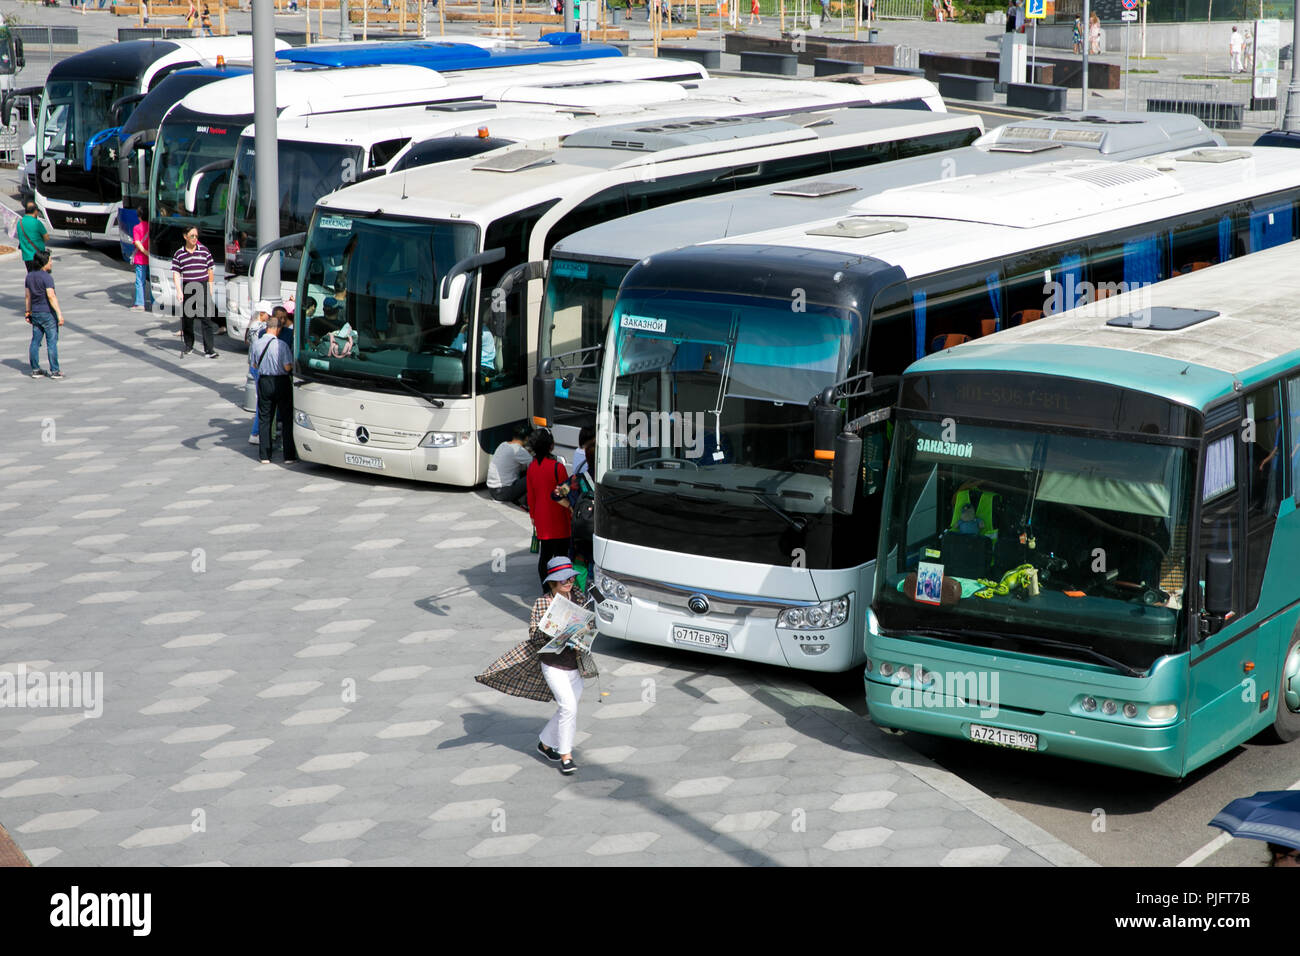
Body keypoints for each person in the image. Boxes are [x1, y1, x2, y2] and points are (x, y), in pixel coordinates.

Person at [472, 556, 599, 776]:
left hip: (575, 664)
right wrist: (556, 629)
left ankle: (544, 744)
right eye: (563, 580)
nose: (568, 582)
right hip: (553, 665)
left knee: (568, 708)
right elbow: (534, 636)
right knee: (569, 707)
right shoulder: (543, 603)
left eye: (570, 578)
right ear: (553, 583)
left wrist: (584, 632)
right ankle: (566, 756)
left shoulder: (578, 596)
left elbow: (588, 624)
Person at [527, 428, 571, 589]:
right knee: (562, 556)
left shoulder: (532, 468)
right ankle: (562, 589)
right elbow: (566, 493)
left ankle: (547, 590)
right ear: (551, 446)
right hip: (559, 518)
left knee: (545, 556)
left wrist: (533, 517)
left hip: (541, 518)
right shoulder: (557, 468)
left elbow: (531, 497)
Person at [253, 312, 297, 465]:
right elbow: (286, 366)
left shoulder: (256, 344)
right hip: (281, 382)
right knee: (286, 418)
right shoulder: (281, 345)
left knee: (265, 418)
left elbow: (254, 365)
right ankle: (289, 455)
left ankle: (265, 455)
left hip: (264, 381)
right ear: (277, 329)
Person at [172, 226, 219, 359]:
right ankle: (189, 345)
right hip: (188, 286)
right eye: (192, 236)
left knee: (206, 318)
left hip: (202, 285)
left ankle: (209, 350)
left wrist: (210, 287)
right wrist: (179, 290)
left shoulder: (204, 251)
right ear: (185, 236)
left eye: (196, 236)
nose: (194, 238)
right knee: (188, 318)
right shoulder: (179, 254)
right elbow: (176, 272)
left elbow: (210, 269)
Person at [25, 251, 64, 380]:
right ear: (44, 263)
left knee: (35, 341)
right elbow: (51, 296)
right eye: (50, 260)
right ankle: (55, 371)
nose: (51, 263)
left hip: (35, 313)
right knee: (51, 342)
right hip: (48, 313)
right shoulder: (47, 277)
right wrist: (59, 314)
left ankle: (35, 369)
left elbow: (28, 296)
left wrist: (27, 312)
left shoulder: (29, 276)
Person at [487, 423, 534, 507]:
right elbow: (535, 467)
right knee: (535, 475)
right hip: (503, 492)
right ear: (527, 438)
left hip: (492, 490)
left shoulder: (503, 444)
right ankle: (527, 502)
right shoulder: (518, 450)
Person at [246, 300, 272, 445]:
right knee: (261, 402)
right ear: (262, 313)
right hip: (258, 367)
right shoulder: (259, 328)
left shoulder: (252, 326)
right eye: (268, 314)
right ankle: (255, 433)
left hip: (254, 365)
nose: (269, 316)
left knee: (261, 401)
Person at [18, 201, 47, 274]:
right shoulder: (37, 222)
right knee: (40, 277)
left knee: (31, 276)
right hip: (38, 256)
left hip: (26, 256)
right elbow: (46, 237)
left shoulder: (20, 223)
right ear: (35, 211)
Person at [131, 217, 152, 311]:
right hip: (152, 260)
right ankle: (155, 302)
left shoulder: (137, 227)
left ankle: (140, 304)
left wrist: (145, 252)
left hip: (141, 259)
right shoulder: (152, 227)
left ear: (139, 216)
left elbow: (137, 242)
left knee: (140, 281)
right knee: (153, 281)